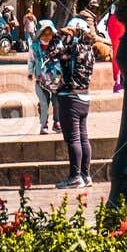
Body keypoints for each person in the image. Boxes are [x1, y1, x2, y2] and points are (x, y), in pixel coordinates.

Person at [51, 16, 94, 190]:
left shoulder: (71, 48)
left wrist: (59, 36)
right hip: (84, 97)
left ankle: (75, 177)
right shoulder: (89, 49)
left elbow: (52, 52)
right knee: (83, 138)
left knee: (73, 139)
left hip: (70, 97)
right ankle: (85, 175)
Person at [26, 18, 59, 133]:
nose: (47, 37)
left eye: (50, 34)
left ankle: (57, 122)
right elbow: (31, 60)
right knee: (44, 102)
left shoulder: (57, 45)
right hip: (41, 79)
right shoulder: (34, 46)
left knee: (57, 101)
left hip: (56, 79)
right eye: (44, 34)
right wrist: (30, 72)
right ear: (39, 34)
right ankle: (44, 124)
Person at [106, 3, 126, 94]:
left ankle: (119, 80)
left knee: (117, 52)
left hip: (113, 21)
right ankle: (119, 81)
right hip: (118, 22)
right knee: (119, 52)